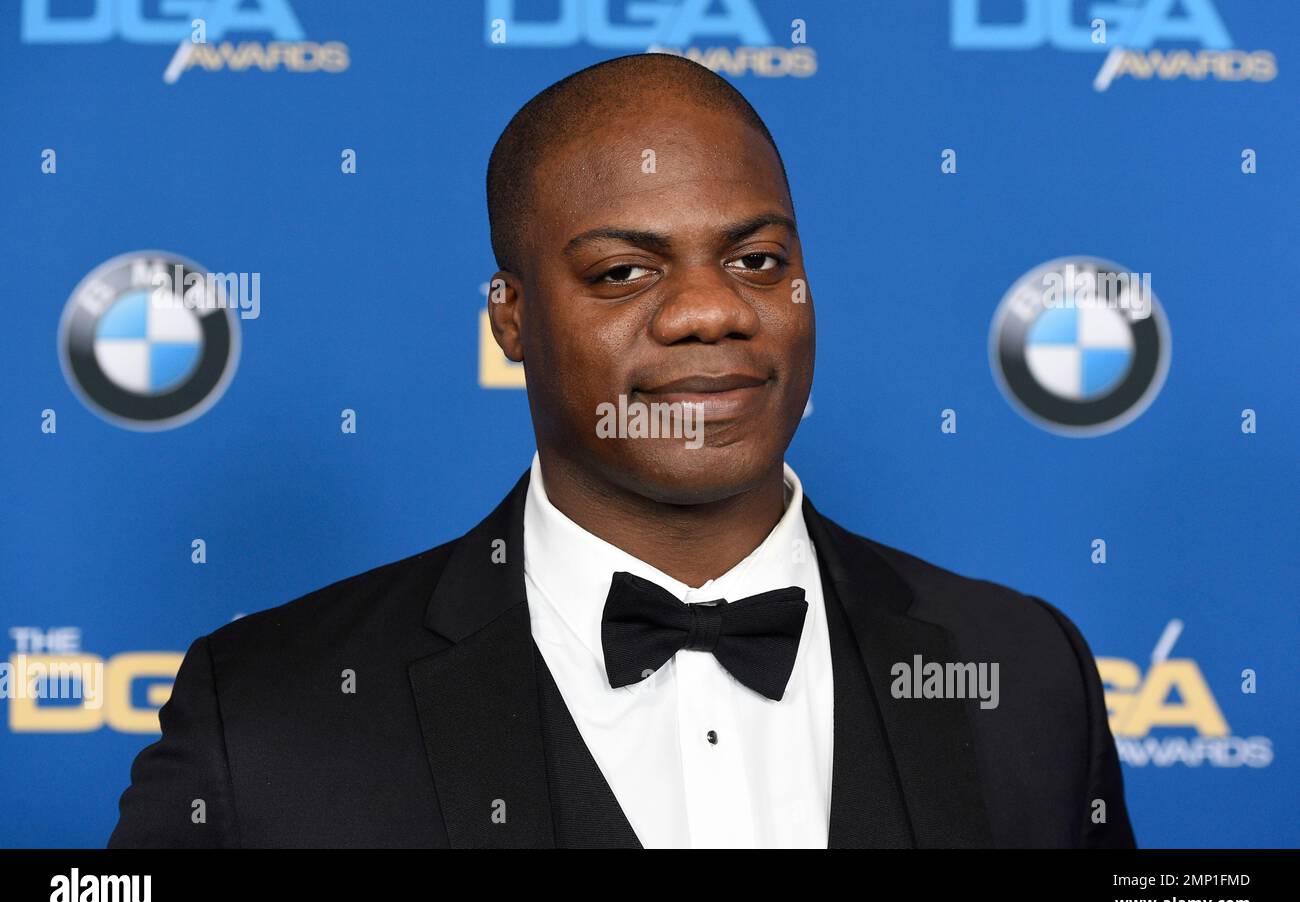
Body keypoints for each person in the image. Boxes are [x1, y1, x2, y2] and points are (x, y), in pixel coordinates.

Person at [108, 52, 1135, 849]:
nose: (707, 310)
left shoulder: (1022, 670)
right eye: (620, 273)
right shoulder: (267, 715)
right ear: (509, 319)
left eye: (757, 258)